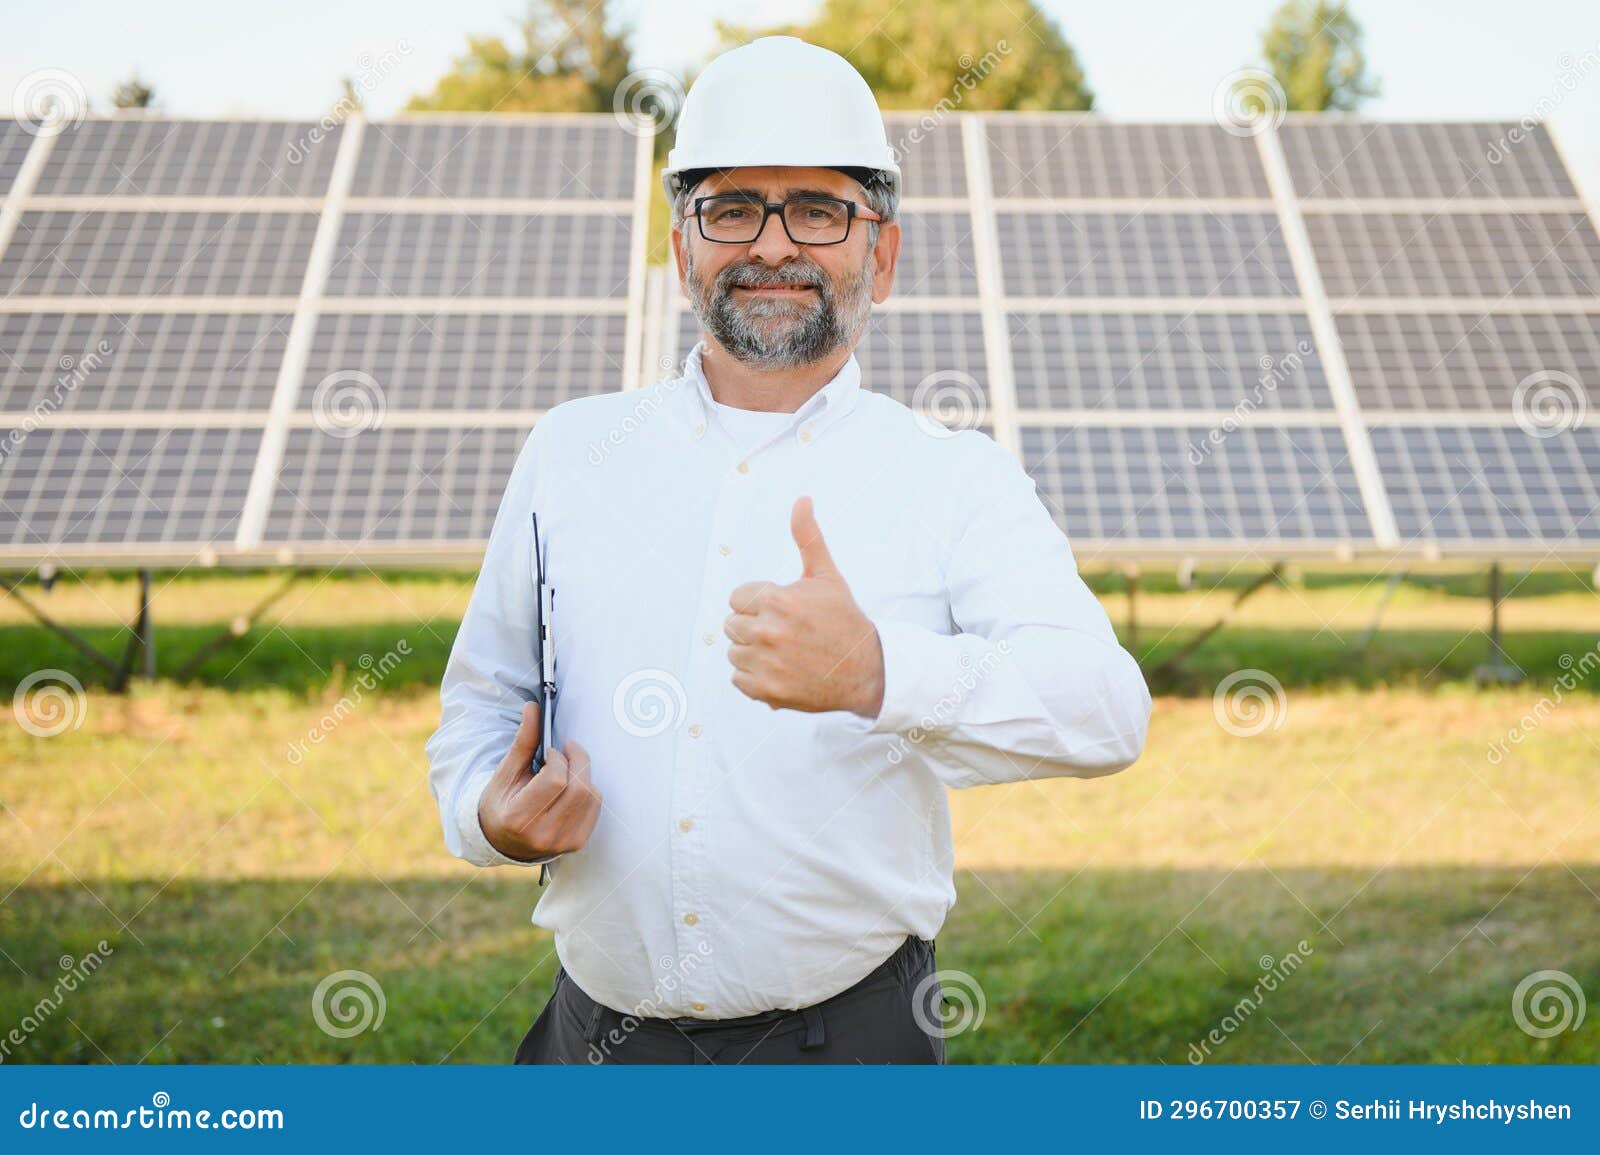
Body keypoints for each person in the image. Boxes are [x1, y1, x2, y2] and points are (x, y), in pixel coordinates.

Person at [425, 35, 1152, 1065]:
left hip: (849, 1049)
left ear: (881, 255)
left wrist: (876, 673)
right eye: (732, 208)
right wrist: (486, 816)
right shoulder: (570, 454)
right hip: (591, 1047)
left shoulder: (954, 477)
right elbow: (484, 708)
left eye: (818, 209)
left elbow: (1104, 709)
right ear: (683, 247)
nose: (772, 245)